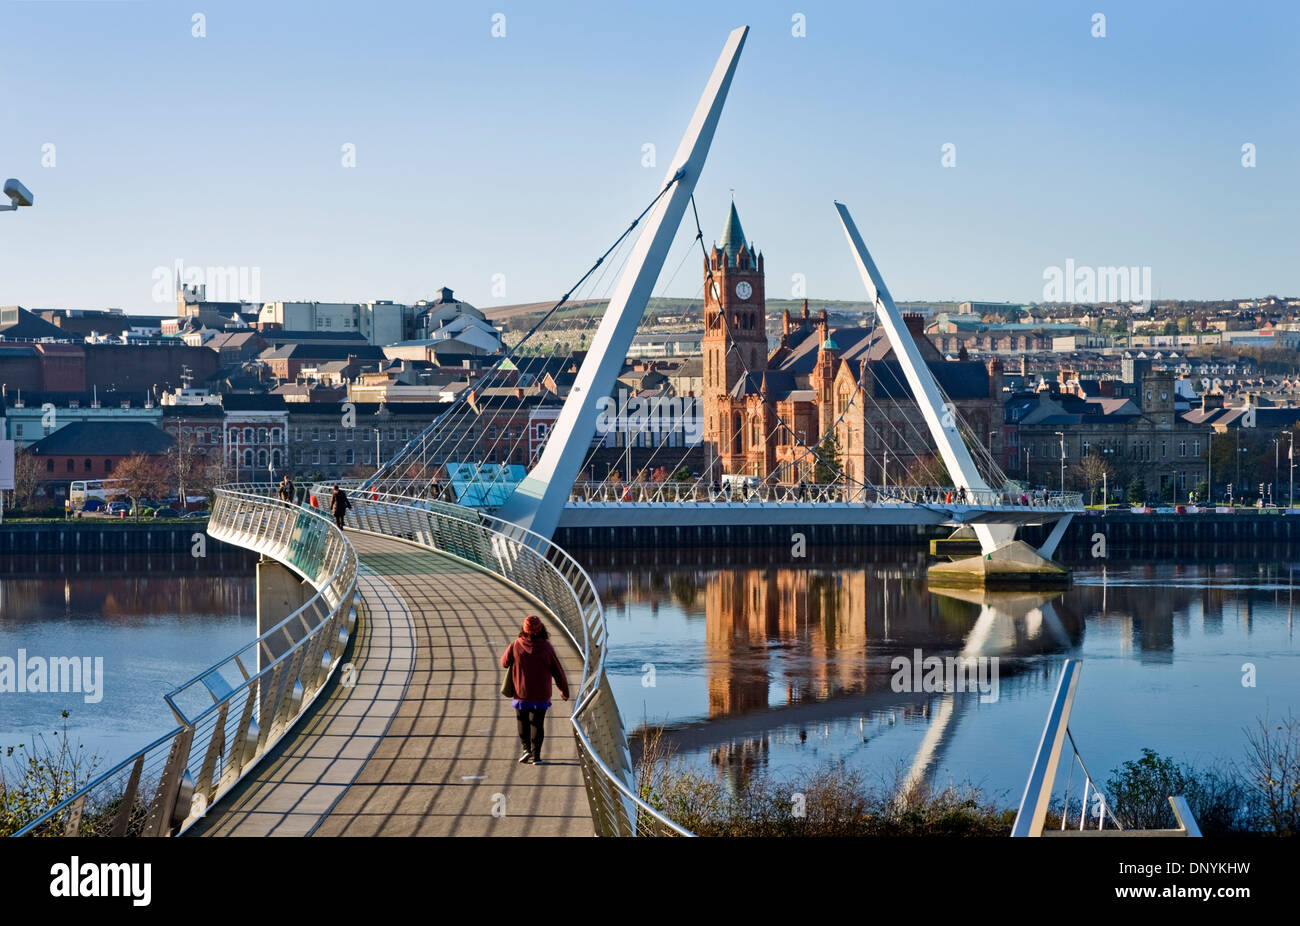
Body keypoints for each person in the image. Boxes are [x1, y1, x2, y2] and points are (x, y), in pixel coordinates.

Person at [500, 615, 570, 764]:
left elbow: (504, 663)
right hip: (541, 693)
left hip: (521, 692)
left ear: (524, 629)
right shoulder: (546, 647)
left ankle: (526, 749)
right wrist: (564, 690)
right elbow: (558, 670)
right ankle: (536, 756)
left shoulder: (515, 645)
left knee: (522, 721)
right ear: (541, 629)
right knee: (537, 723)